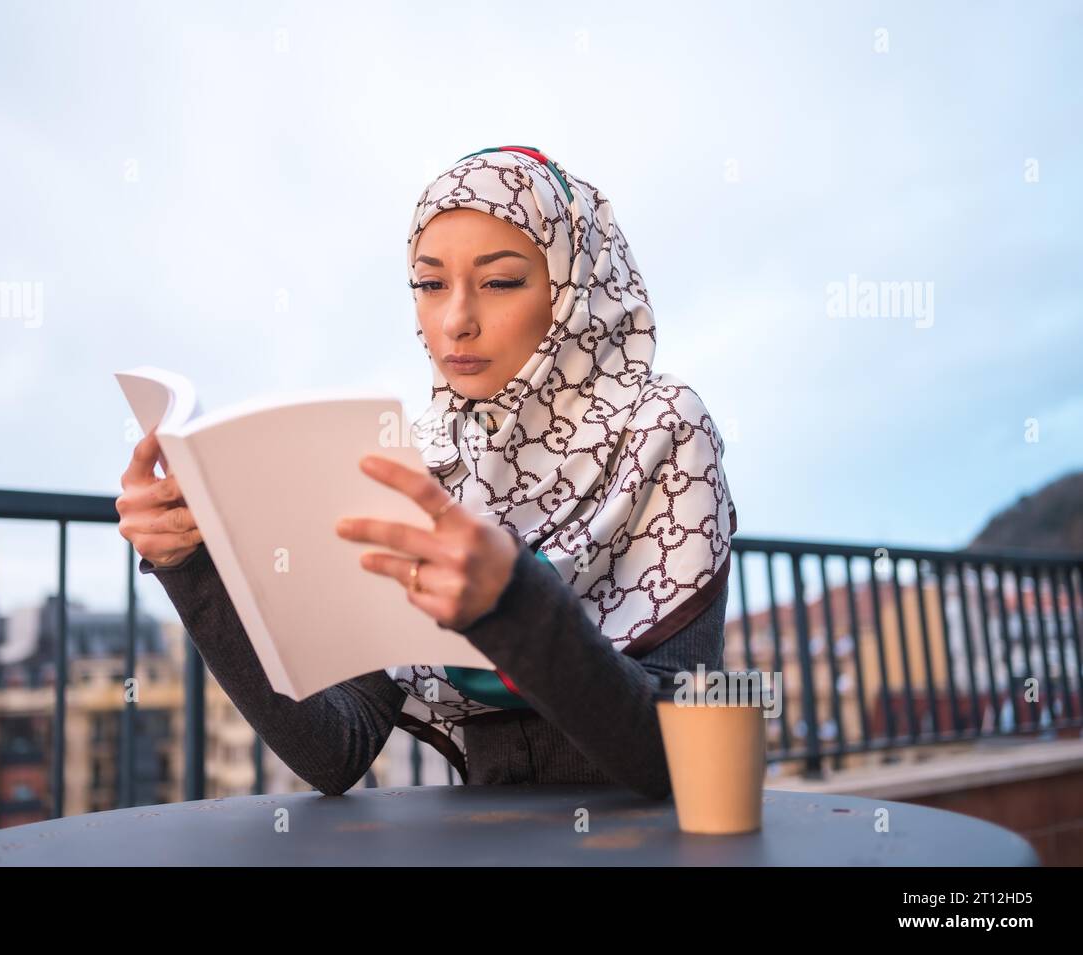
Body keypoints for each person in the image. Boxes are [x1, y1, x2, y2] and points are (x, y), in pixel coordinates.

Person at [116, 144, 738, 798]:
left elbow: (679, 757)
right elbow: (335, 751)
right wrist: (189, 564)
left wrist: (514, 602)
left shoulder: (662, 427)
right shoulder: (426, 457)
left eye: (499, 282)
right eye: (429, 284)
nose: (455, 321)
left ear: (572, 289)